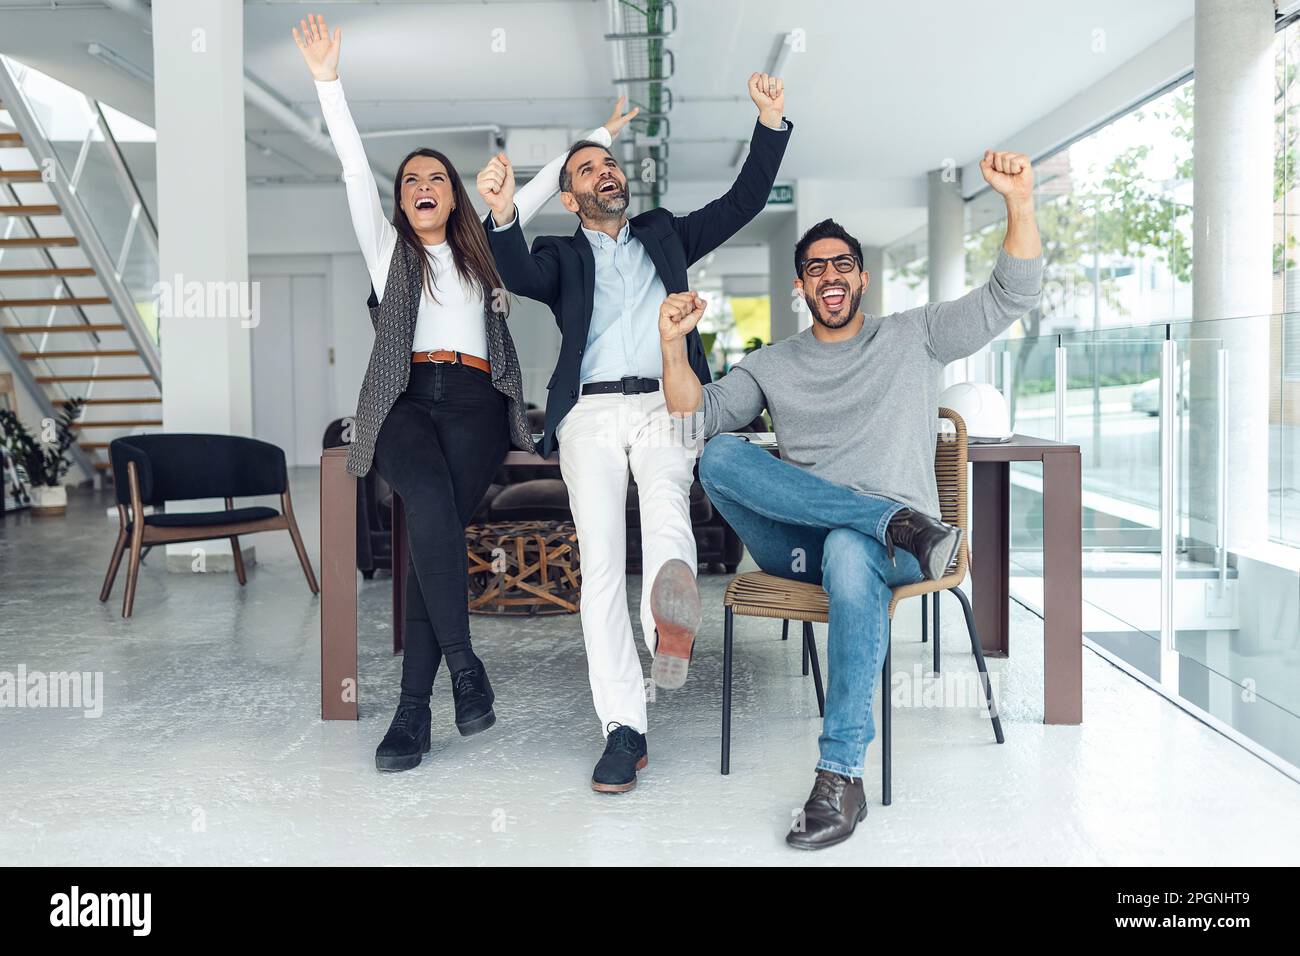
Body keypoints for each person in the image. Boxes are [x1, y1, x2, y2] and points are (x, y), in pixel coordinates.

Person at [657, 150, 1043, 847]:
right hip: (809, 545)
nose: (830, 277)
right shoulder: (773, 363)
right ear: (801, 284)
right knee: (716, 455)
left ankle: (839, 776)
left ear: (861, 277)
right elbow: (692, 419)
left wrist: (1019, 202)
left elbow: (1008, 298)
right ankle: (893, 521)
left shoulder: (914, 336)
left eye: (842, 265)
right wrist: (671, 346)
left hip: (876, 560)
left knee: (849, 549)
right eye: (815, 268)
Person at [293, 12, 637, 772]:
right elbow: (354, 168)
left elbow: (541, 188)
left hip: (481, 403)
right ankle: (465, 665)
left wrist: (600, 137)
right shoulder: (385, 250)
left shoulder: (480, 250)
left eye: (435, 179)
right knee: (425, 506)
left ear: (453, 197)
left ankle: (412, 717)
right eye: (411, 180)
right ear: (403, 201)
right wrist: (328, 83)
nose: (422, 186)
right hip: (407, 400)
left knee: (432, 537)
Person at [475, 73, 793, 794]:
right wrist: (500, 211)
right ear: (570, 197)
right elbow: (515, 269)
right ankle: (624, 727)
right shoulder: (561, 255)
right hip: (588, 412)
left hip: (665, 400)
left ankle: (668, 626)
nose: (605, 171)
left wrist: (771, 122)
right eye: (588, 168)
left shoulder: (665, 232)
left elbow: (744, 202)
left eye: (608, 163)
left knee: (666, 497)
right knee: (601, 568)